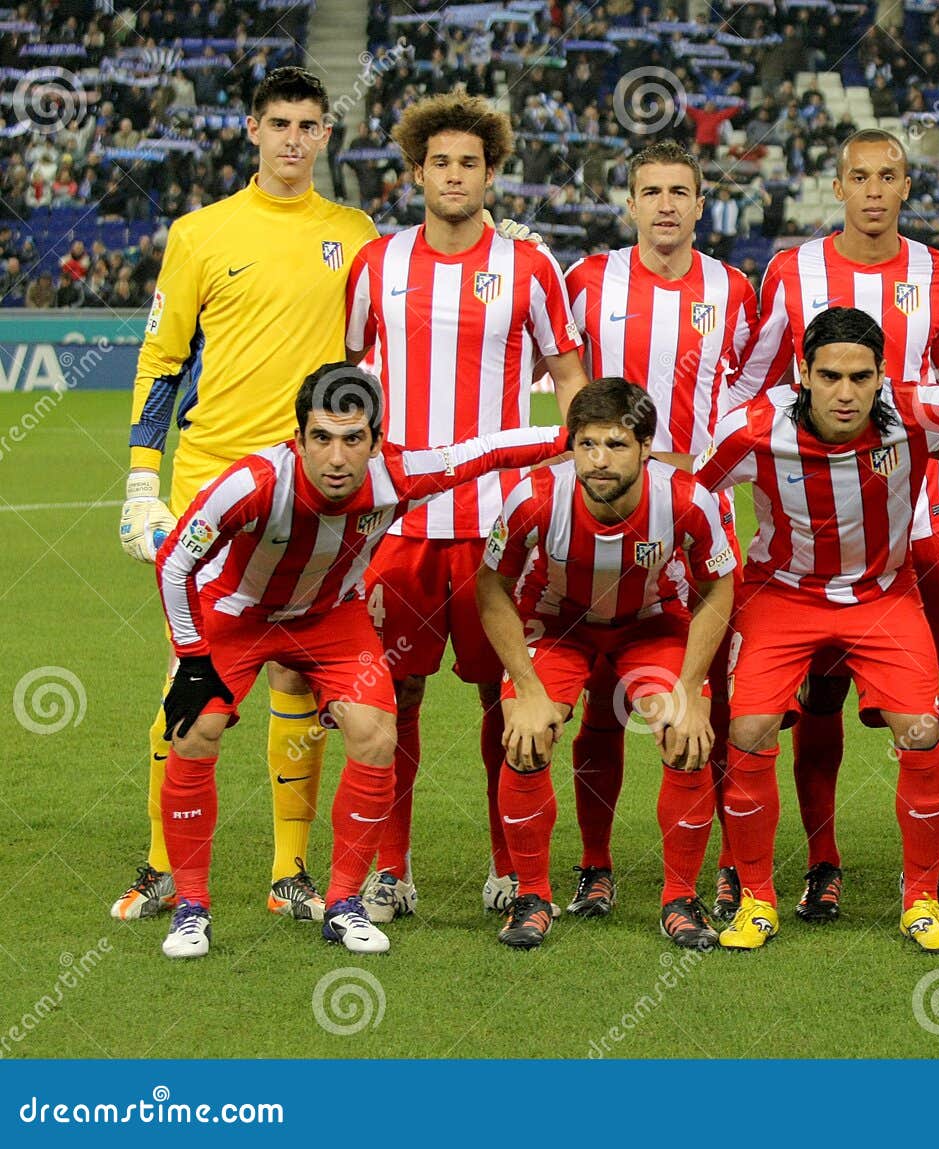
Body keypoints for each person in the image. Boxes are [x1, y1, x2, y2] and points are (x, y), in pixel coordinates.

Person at [152, 365, 566, 959]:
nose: (337, 456)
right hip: (235, 616)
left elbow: (483, 452)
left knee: (377, 734)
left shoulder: (397, 474)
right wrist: (192, 661)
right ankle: (191, 910)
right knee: (194, 730)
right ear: (298, 439)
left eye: (353, 439)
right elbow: (174, 564)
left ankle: (344, 905)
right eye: (321, 437)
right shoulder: (253, 483)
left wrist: (567, 436)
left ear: (376, 441)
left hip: (331, 620)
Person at [115, 67, 379, 925]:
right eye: (280, 124)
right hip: (211, 487)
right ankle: (164, 868)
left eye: (309, 124)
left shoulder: (357, 231)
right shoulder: (199, 233)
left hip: (310, 492)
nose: (294, 139)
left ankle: (288, 871)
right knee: (189, 679)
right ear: (252, 130)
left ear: (325, 135)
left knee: (300, 683)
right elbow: (162, 357)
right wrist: (141, 477)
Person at [343, 92, 590, 924]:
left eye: (470, 163)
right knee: (395, 699)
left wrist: (567, 472)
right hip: (399, 526)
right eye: (440, 162)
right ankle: (391, 868)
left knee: (507, 700)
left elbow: (569, 380)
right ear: (417, 172)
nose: (455, 175)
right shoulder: (377, 264)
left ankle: (508, 862)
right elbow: (345, 385)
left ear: (491, 174)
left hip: (497, 528)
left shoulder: (529, 267)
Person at [729, 129, 939, 924]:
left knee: (922, 708)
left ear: (908, 187)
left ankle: (925, 876)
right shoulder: (792, 272)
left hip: (917, 516)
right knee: (816, 702)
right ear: (838, 186)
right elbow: (754, 381)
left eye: (890, 177)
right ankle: (822, 861)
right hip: (808, 527)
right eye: (860, 177)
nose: (874, 191)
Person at [696, 307, 939, 953]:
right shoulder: (753, 429)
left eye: (860, 376)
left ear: (883, 375)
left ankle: (922, 901)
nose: (846, 392)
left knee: (923, 729)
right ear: (803, 372)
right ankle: (755, 899)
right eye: (829, 376)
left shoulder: (916, 414)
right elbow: (688, 492)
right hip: (782, 594)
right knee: (746, 728)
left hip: (882, 595)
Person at [562, 141, 757, 922]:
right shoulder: (586, 282)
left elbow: (758, 392)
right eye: (652, 191)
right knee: (604, 696)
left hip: (700, 522)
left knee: (712, 697)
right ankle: (595, 865)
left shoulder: (734, 290)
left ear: (702, 202)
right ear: (630, 203)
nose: (667, 204)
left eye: (681, 191)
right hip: (602, 519)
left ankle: (722, 869)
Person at [476, 379, 736, 950]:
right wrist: (526, 687)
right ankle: (534, 895)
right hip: (557, 623)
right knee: (525, 736)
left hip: (651, 623)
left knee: (684, 736)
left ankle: (680, 898)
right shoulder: (534, 496)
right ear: (571, 445)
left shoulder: (688, 499)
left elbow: (719, 587)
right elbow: (491, 587)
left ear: (646, 446)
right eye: (587, 444)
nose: (599, 460)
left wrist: (689, 689)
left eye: (616, 445)